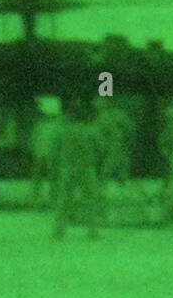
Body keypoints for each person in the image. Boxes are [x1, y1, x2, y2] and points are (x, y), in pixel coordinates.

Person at [51, 100, 104, 240]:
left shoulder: (63, 131)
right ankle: (92, 230)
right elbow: (101, 148)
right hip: (87, 168)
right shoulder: (91, 131)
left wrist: (55, 168)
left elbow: (54, 151)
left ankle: (59, 231)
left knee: (63, 201)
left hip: (67, 168)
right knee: (90, 200)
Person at [93, 96, 135, 194]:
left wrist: (127, 141)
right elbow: (98, 135)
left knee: (118, 166)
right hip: (110, 146)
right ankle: (104, 187)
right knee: (110, 166)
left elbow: (130, 128)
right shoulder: (99, 118)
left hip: (119, 145)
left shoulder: (116, 115)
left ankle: (123, 187)